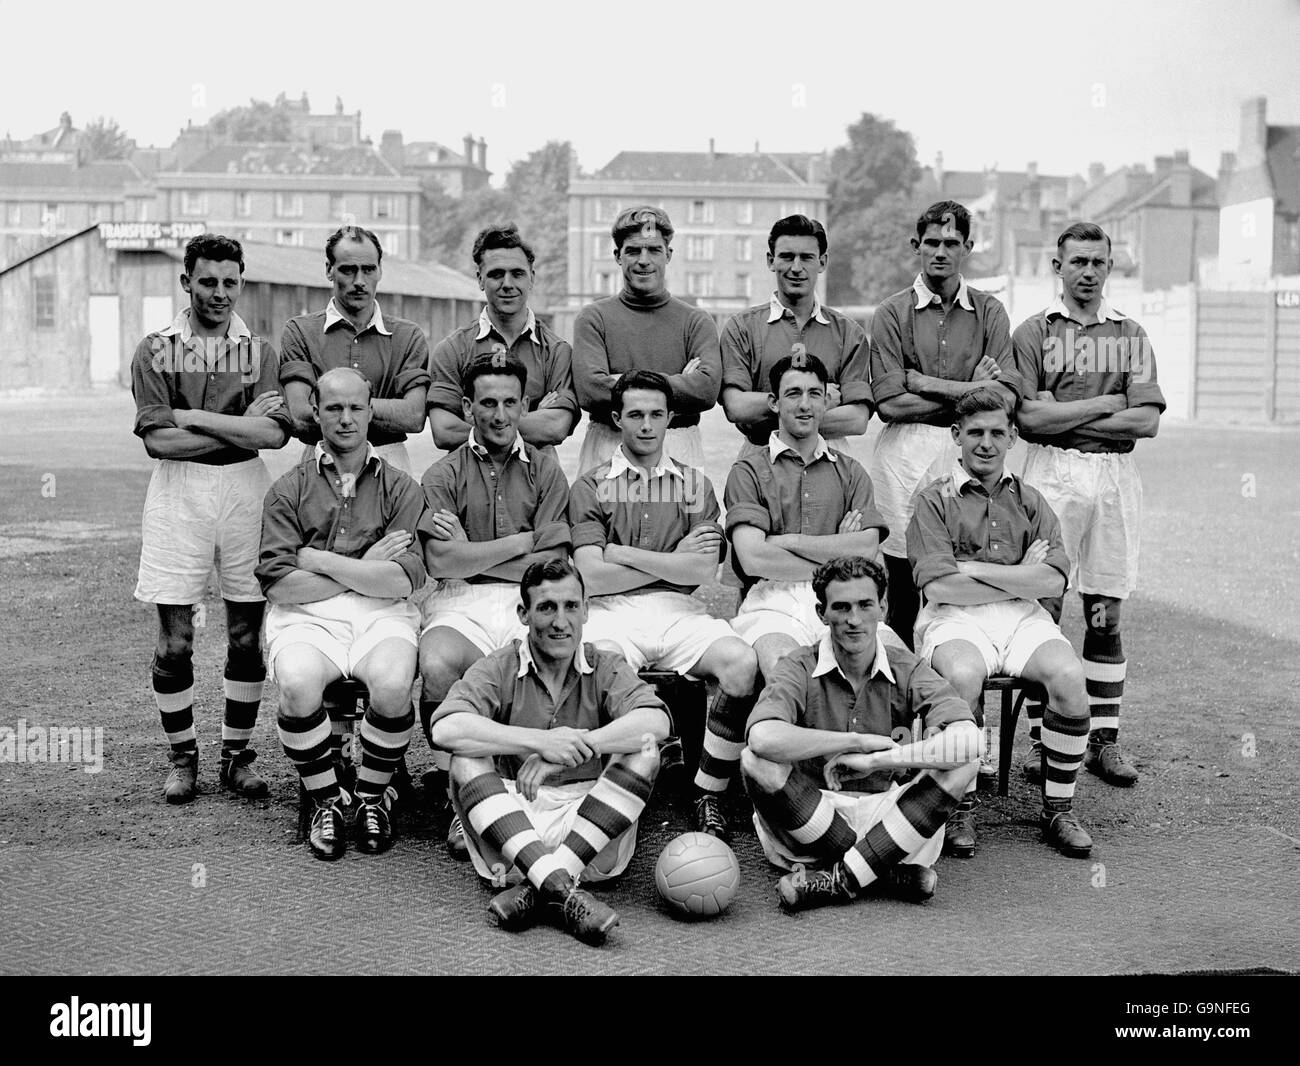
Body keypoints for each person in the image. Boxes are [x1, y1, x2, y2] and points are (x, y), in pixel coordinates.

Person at [428, 559, 671, 946]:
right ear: (524, 614)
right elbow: (444, 728)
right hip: (511, 824)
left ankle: (542, 883)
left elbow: (656, 724)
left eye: (571, 606)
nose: (561, 621)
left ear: (587, 610)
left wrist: (578, 745)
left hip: (591, 827)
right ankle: (563, 888)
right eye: (547, 607)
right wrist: (539, 742)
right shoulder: (500, 665)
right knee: (465, 757)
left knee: (643, 749)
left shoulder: (604, 663)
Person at [130, 233, 291, 804]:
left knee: (247, 635)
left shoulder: (262, 352)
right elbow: (158, 442)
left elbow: (272, 434)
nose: (219, 293)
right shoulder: (156, 349)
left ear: (240, 282)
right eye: (207, 282)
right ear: (186, 283)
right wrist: (235, 425)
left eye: (230, 282)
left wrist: (194, 418)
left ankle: (236, 757)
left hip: (247, 492)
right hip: (179, 496)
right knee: (176, 642)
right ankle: (182, 758)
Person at [569, 370, 759, 841]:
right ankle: (616, 791)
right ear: (616, 420)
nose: (647, 425)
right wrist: (674, 560)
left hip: (679, 610)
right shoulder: (590, 485)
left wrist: (624, 553)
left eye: (657, 414)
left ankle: (707, 790)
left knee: (741, 664)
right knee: (597, 669)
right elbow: (591, 576)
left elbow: (702, 572)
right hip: (610, 609)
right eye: (635, 415)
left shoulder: (694, 484)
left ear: (671, 418)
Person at [907, 387, 1094, 859]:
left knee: (1070, 675)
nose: (985, 443)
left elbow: (1052, 581)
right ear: (956, 436)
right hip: (954, 619)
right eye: (975, 433)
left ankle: (1058, 808)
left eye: (996, 432)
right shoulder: (933, 501)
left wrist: (974, 569)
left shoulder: (1031, 500)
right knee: (964, 675)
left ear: (1013, 436)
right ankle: (959, 805)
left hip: (1020, 618)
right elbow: (940, 588)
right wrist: (1020, 577)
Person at [1012, 222, 1165, 788]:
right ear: (1057, 266)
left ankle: (1104, 740)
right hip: (1050, 474)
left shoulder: (1131, 333)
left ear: (1109, 267)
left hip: (1113, 477)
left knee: (1105, 608)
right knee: (1041, 607)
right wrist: (1109, 402)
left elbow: (1146, 420)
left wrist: (1067, 410)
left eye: (1097, 262)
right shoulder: (1033, 332)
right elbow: (1029, 418)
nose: (1087, 272)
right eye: (1077, 261)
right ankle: (1042, 739)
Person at [742, 556, 982, 911]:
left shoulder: (907, 666)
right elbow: (761, 738)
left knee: (965, 762)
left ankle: (841, 880)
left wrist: (879, 760)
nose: (854, 620)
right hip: (810, 815)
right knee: (755, 760)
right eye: (841, 608)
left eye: (864, 605)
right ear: (822, 613)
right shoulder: (798, 664)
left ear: (882, 607)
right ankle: (883, 871)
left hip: (890, 817)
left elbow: (972, 740)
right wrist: (853, 742)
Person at [257, 367, 427, 860]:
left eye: (356, 407)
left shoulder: (399, 486)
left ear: (372, 412)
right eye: (334, 408)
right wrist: (363, 566)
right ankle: (327, 800)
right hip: (308, 618)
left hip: (382, 613)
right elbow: (281, 586)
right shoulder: (288, 488)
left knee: (394, 685)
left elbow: (403, 578)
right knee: (297, 683)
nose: (346, 418)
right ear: (316, 411)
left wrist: (323, 562)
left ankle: (373, 798)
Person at [418, 351, 572, 858]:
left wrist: (473, 553)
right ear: (467, 407)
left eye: (510, 402)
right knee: (438, 661)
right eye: (487, 403)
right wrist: (520, 542)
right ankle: (455, 795)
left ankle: (511, 790)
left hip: (524, 599)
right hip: (458, 601)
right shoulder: (442, 473)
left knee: (535, 665)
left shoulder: (547, 471)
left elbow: (553, 563)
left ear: (524, 404)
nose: (500, 415)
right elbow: (440, 562)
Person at [869, 201, 1020, 648]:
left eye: (951, 243)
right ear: (917, 245)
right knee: (901, 581)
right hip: (903, 452)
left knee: (960, 569)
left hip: (968, 448)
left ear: (968, 248)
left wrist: (927, 383)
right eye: (932, 242)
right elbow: (891, 402)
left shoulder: (990, 312)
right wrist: (969, 390)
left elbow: (1005, 399)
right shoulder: (892, 312)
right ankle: (900, 695)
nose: (940, 251)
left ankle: (956, 691)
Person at [725, 351, 894, 682]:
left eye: (814, 394)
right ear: (774, 402)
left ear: (826, 401)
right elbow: (754, 559)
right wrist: (839, 550)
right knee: (784, 667)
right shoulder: (749, 471)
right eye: (794, 393)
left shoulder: (851, 471)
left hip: (844, 598)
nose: (805, 405)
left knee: (896, 664)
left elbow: (867, 550)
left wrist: (789, 541)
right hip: (774, 602)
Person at [572, 205, 720, 473]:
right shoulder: (593, 318)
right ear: (618, 255)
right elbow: (590, 391)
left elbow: (706, 390)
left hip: (678, 443)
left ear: (668, 255)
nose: (644, 260)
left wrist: (620, 380)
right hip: (608, 444)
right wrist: (676, 382)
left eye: (653, 250)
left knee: (681, 515)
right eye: (633, 250)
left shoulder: (696, 320)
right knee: (599, 514)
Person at [279, 226, 430, 475]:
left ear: (380, 270)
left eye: (368, 270)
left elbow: (413, 416)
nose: (359, 281)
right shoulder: (300, 331)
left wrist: (331, 407)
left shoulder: (407, 335)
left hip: (389, 461)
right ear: (329, 270)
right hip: (320, 461)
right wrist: (383, 410)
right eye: (348, 270)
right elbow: (300, 418)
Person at [720, 214, 871, 456]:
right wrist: (820, 400)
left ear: (822, 262)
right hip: (761, 456)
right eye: (787, 257)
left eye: (807, 258)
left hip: (829, 456)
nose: (796, 268)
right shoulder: (742, 328)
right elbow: (736, 407)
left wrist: (769, 411)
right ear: (771, 260)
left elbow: (856, 420)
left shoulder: (849, 332)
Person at [427, 223, 578, 454]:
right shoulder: (452, 349)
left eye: (517, 274)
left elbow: (556, 427)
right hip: (471, 482)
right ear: (479, 279)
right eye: (496, 274)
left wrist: (474, 420)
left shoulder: (557, 351)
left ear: (531, 278)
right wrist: (532, 417)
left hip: (536, 483)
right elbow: (444, 431)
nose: (507, 284)